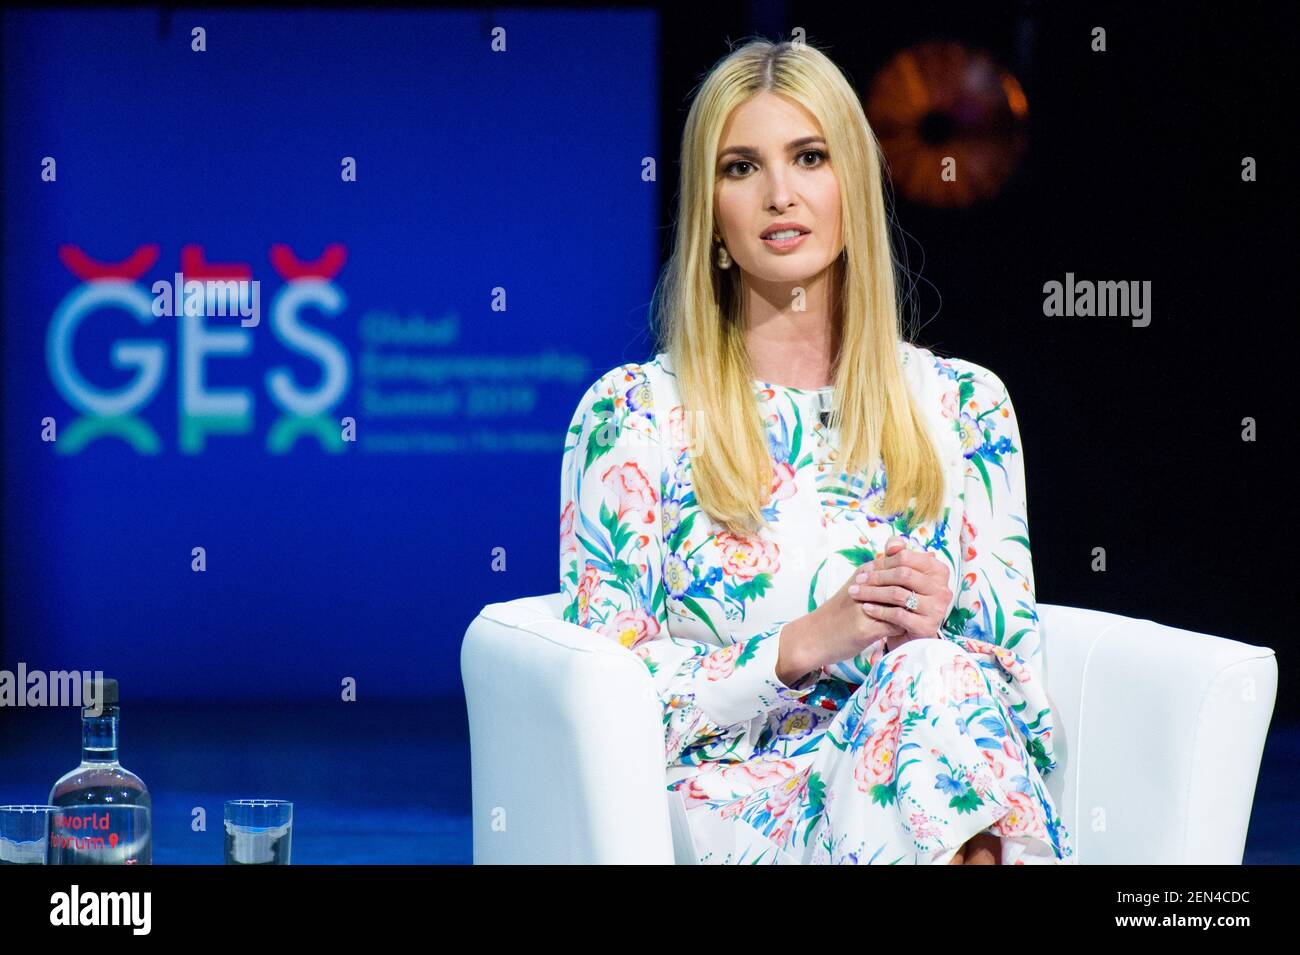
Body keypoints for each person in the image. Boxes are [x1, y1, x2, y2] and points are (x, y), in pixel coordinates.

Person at [559, 37, 1074, 865]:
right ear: (712, 218)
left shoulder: (964, 406)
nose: (780, 194)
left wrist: (922, 639)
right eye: (741, 167)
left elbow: (1024, 707)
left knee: (933, 681)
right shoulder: (633, 416)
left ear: (853, 189)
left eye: (809, 156)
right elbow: (599, 706)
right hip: (738, 802)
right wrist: (805, 642)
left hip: (925, 785)